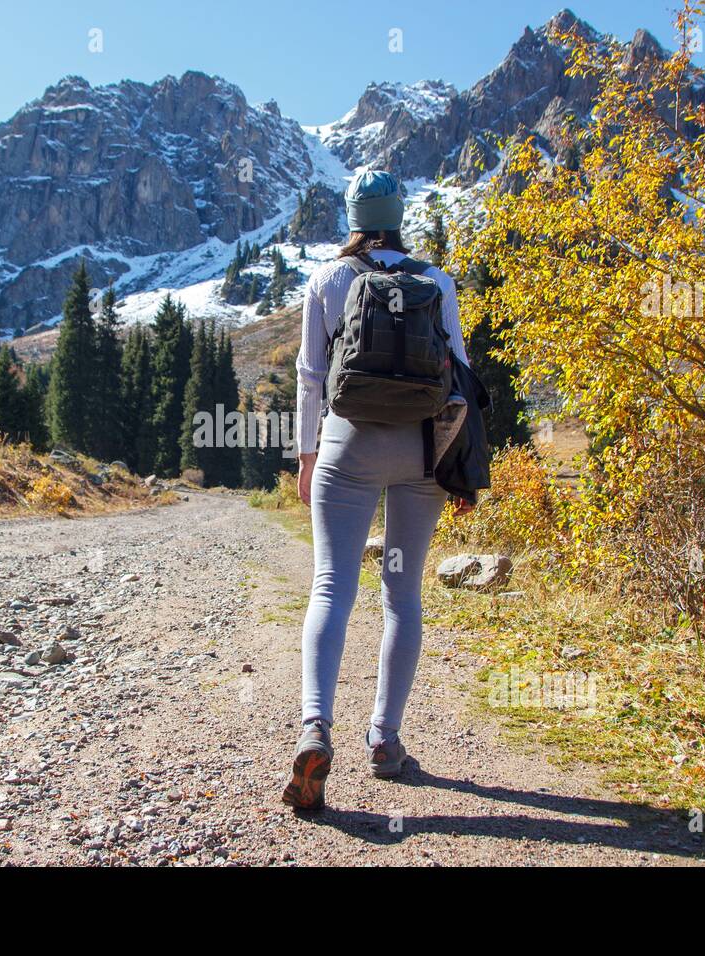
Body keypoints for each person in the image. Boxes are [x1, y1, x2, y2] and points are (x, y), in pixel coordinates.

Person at [282, 169, 469, 811]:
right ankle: (386, 742)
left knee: (332, 584)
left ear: (354, 217)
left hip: (347, 445)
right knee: (402, 592)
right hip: (420, 454)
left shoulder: (329, 279)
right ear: (400, 216)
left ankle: (315, 726)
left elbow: (310, 377)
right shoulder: (435, 280)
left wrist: (307, 458)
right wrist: (463, 469)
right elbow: (461, 383)